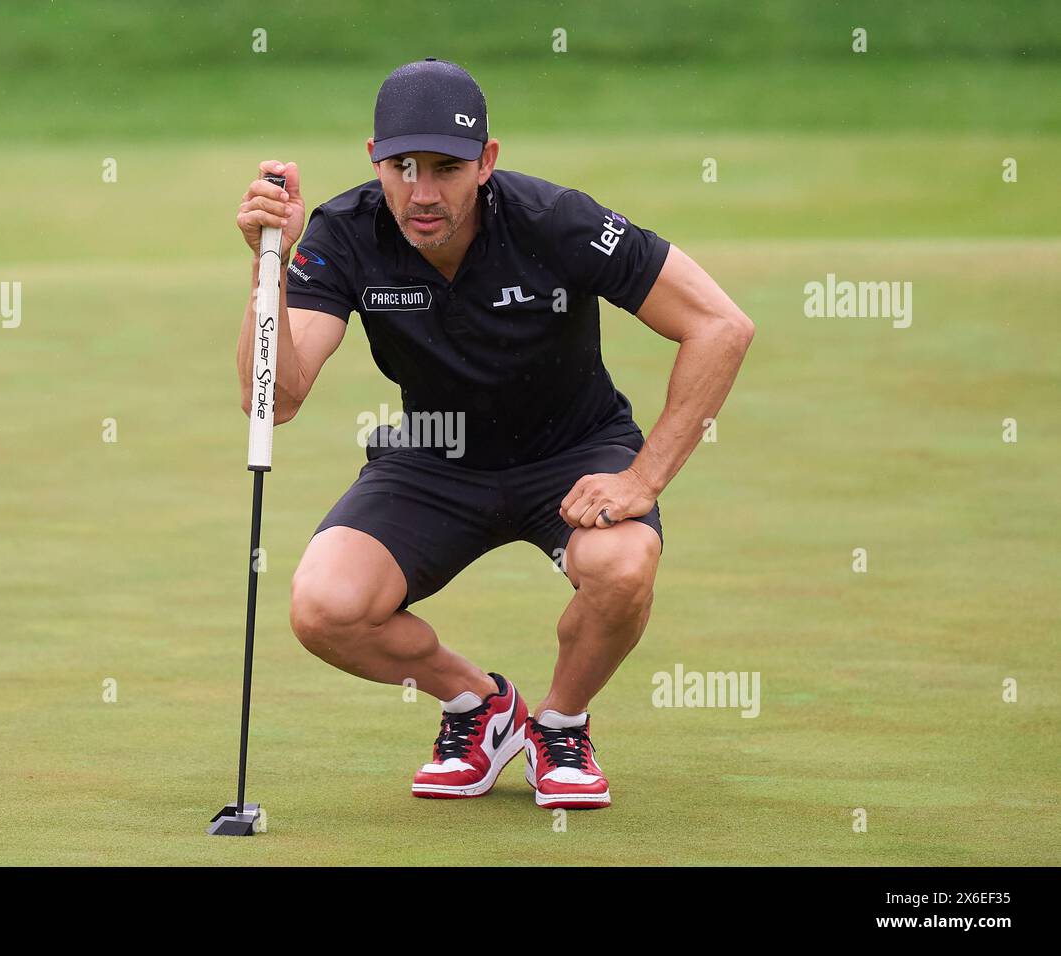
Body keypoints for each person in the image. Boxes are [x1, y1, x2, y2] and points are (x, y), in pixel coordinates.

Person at [235, 58, 754, 809]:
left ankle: (561, 725)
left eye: (446, 167)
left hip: (573, 451)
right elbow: (275, 400)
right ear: (373, 160)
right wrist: (266, 268)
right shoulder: (345, 233)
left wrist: (642, 480)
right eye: (401, 165)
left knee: (623, 564)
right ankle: (480, 709)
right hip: (434, 458)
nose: (421, 191)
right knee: (324, 606)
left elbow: (720, 325)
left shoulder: (557, 222)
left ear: (487, 161)